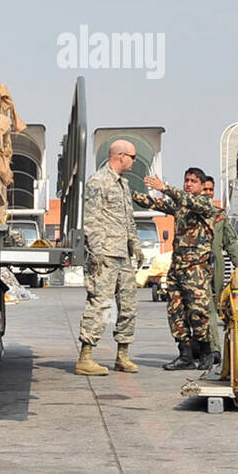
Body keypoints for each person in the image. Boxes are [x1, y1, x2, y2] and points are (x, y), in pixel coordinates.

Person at [134, 167, 216, 370]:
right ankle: (185, 355)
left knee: (198, 312)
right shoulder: (180, 205)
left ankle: (206, 353)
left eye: (193, 181)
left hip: (195, 269)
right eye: (186, 180)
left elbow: (188, 201)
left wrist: (165, 188)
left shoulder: (204, 203)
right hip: (177, 269)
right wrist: (129, 192)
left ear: (202, 186)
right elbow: (155, 203)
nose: (188, 184)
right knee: (176, 313)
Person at [75, 139, 142, 376]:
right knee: (101, 303)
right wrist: (97, 251)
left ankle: (122, 355)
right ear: (121, 156)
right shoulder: (98, 181)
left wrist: (135, 245)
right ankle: (86, 356)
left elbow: (128, 219)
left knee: (129, 306)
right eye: (133, 157)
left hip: (122, 254)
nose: (134, 162)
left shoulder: (123, 184)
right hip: (105, 254)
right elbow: (91, 220)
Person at [202, 175, 238, 377]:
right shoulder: (192, 212)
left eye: (211, 190)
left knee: (220, 307)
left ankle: (228, 348)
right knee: (206, 308)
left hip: (216, 265)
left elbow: (231, 242)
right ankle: (214, 350)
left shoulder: (220, 215)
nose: (208, 193)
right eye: (205, 189)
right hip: (197, 266)